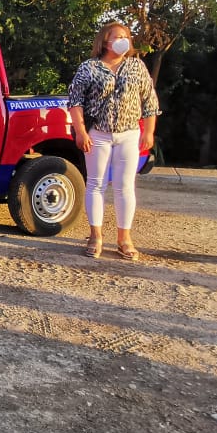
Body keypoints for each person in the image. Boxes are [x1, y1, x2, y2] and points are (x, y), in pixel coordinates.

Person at [67, 21, 159, 261]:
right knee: (95, 184)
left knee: (124, 186)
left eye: (125, 36)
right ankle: (95, 236)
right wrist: (80, 132)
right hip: (98, 133)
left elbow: (150, 100)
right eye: (117, 36)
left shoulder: (137, 66)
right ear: (105, 41)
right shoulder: (89, 68)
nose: (123, 40)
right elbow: (75, 101)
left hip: (129, 133)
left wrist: (149, 132)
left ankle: (124, 238)